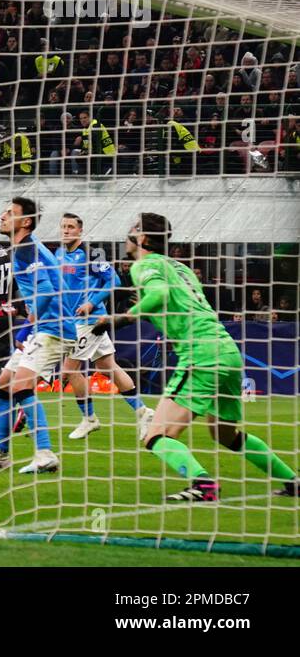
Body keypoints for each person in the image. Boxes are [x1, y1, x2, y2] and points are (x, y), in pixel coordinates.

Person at [93, 213, 299, 502]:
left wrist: (121, 319)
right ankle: (293, 481)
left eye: (132, 229)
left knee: (156, 436)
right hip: (227, 351)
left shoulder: (144, 265)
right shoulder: (181, 268)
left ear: (141, 237)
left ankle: (203, 485)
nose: (126, 234)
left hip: (200, 356)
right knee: (226, 435)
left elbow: (159, 293)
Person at [56, 212, 153, 441]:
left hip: (89, 321)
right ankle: (143, 411)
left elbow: (114, 281)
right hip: (73, 320)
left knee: (70, 370)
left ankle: (89, 419)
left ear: (80, 231)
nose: (66, 230)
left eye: (71, 227)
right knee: (107, 366)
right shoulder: (59, 253)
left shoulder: (91, 253)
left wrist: (91, 302)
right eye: (63, 226)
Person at [0, 197, 66, 475]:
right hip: (45, 327)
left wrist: (25, 328)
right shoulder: (24, 248)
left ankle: (44, 452)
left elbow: (45, 292)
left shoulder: (26, 249)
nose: (3, 216)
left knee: (20, 386)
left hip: (52, 329)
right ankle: (1, 452)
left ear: (26, 221)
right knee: (4, 384)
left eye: (11, 213)